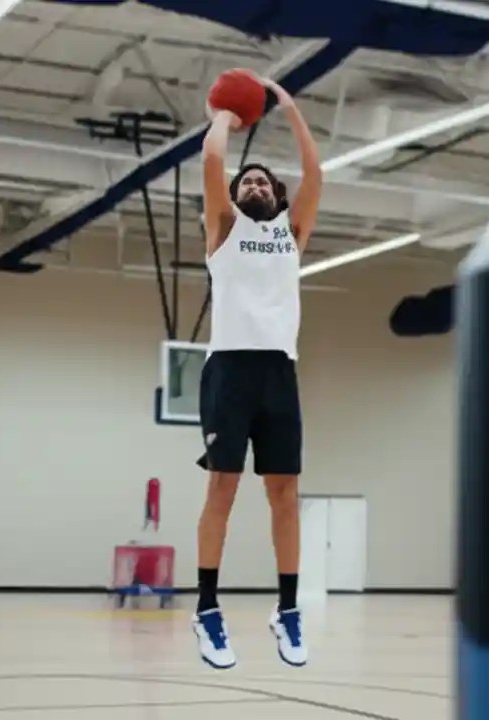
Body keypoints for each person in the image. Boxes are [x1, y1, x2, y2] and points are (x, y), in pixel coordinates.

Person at [190, 73, 322, 670]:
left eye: (265, 180)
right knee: (223, 486)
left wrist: (289, 106)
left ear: (277, 195)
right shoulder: (223, 229)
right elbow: (212, 159)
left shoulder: (291, 236)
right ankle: (208, 610)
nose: (255, 183)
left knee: (285, 494)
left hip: (279, 373)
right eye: (248, 179)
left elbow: (316, 175)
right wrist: (226, 112)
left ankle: (287, 610)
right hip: (230, 370)